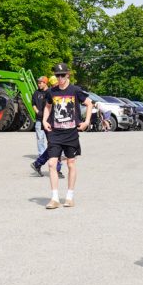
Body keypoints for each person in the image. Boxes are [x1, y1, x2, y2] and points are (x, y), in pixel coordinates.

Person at [42, 65, 91, 209]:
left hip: (71, 133)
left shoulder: (75, 90)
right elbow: (48, 106)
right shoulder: (51, 91)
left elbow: (89, 103)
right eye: (57, 76)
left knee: (71, 164)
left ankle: (69, 197)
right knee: (51, 164)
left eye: (62, 75)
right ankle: (55, 198)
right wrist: (45, 120)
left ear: (67, 75)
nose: (60, 78)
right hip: (55, 133)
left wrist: (86, 122)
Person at [29, 75, 53, 175]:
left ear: (45, 83)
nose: (39, 84)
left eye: (41, 82)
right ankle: (41, 155)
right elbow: (33, 103)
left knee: (51, 141)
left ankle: (45, 158)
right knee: (40, 138)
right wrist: (37, 111)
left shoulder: (50, 92)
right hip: (39, 119)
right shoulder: (36, 92)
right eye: (38, 82)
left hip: (48, 120)